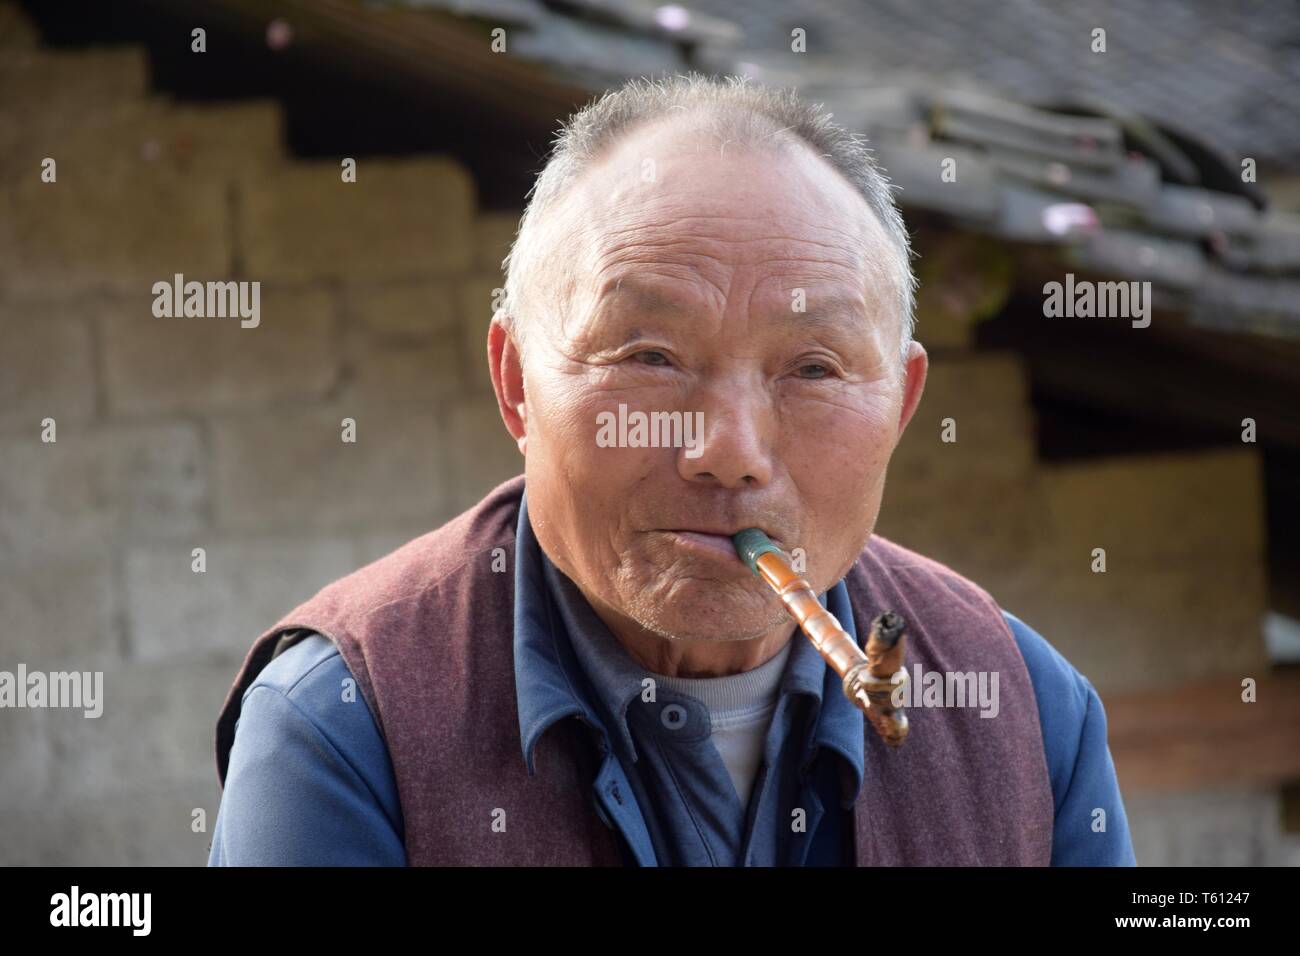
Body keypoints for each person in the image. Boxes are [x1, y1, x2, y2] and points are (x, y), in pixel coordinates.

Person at [210, 73, 1135, 867]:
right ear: (516, 385)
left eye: (813, 369)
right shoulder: (343, 723)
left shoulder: (1028, 708)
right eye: (651, 356)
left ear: (898, 406)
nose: (731, 450)